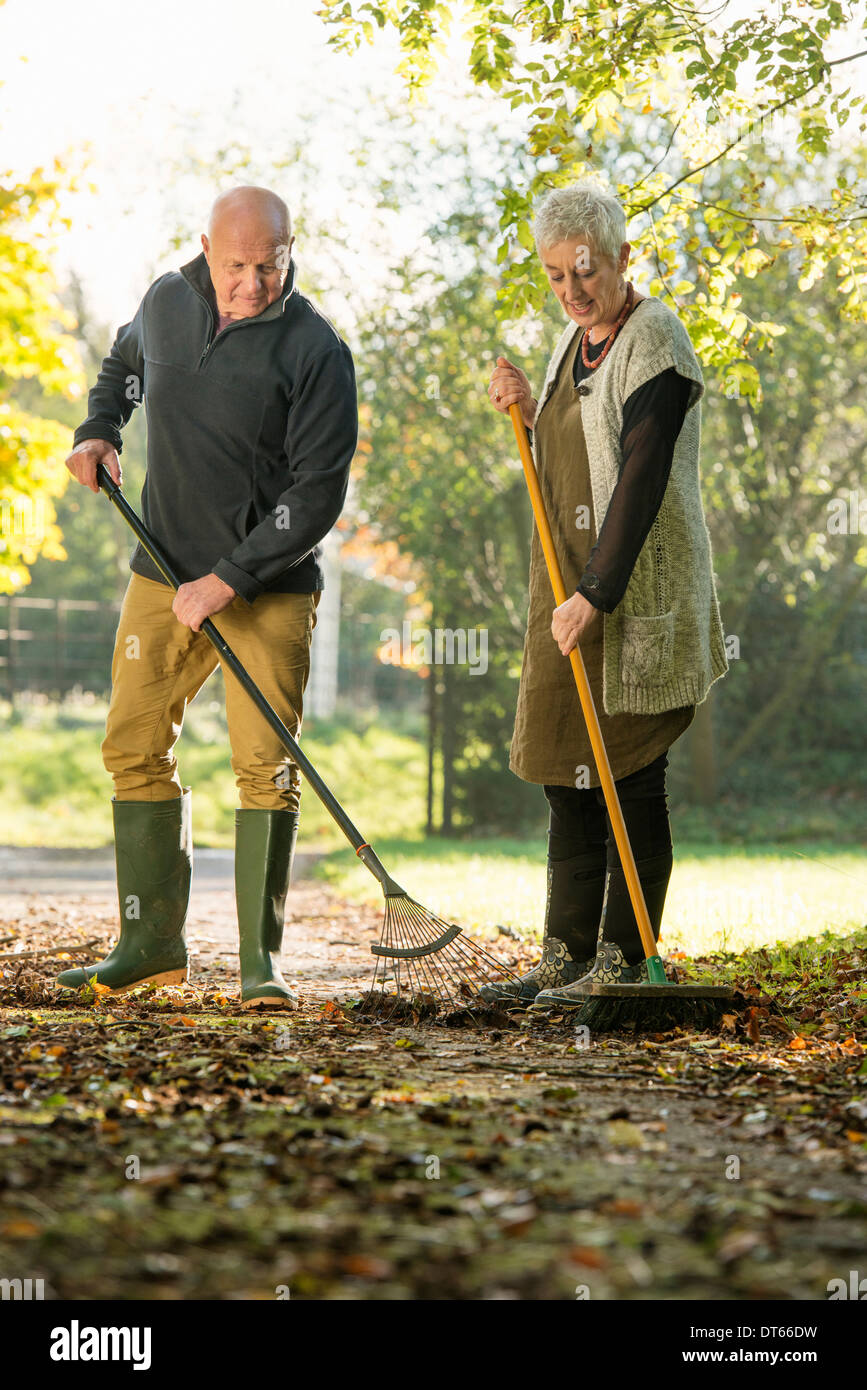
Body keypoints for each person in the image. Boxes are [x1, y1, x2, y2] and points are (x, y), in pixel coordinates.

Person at [57, 186, 358, 1009]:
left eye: (272, 264)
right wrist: (99, 431)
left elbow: (318, 490)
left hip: (267, 586)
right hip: (162, 572)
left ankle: (261, 965)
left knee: (264, 770)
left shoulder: (314, 348)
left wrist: (232, 577)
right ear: (204, 250)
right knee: (133, 744)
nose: (254, 284)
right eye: (237, 267)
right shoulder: (164, 300)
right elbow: (123, 368)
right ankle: (150, 946)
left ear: (291, 250)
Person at [484, 181, 728, 1009]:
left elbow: (640, 477)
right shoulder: (568, 343)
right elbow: (561, 455)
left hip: (628, 595)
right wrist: (522, 410)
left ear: (622, 257)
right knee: (567, 769)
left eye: (583, 270)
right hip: (565, 594)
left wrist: (597, 591)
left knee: (631, 771)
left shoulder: (654, 337)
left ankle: (625, 959)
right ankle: (563, 954)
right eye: (554, 276)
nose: (571, 289)